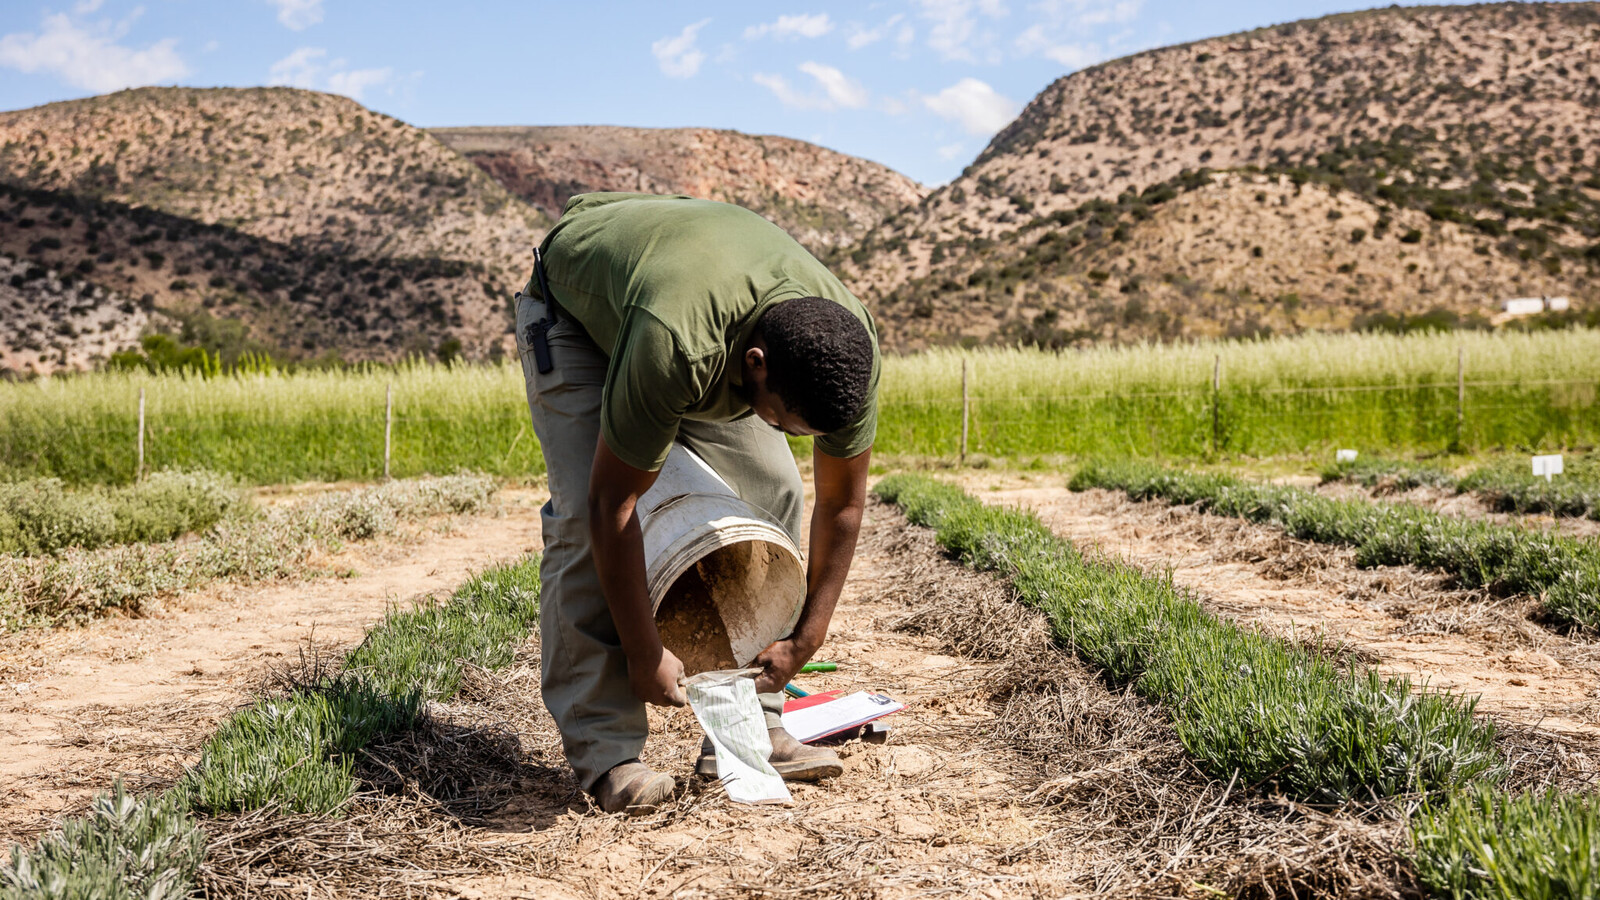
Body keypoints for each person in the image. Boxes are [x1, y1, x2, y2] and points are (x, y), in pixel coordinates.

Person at [513, 192, 879, 815]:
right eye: (788, 424)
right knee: (579, 520)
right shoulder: (679, 343)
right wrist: (644, 649)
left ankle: (746, 726)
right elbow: (613, 504)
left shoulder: (845, 353)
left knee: (776, 488)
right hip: (578, 319)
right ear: (754, 367)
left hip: (690, 308)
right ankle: (608, 754)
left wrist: (807, 638)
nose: (794, 437)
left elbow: (840, 503)